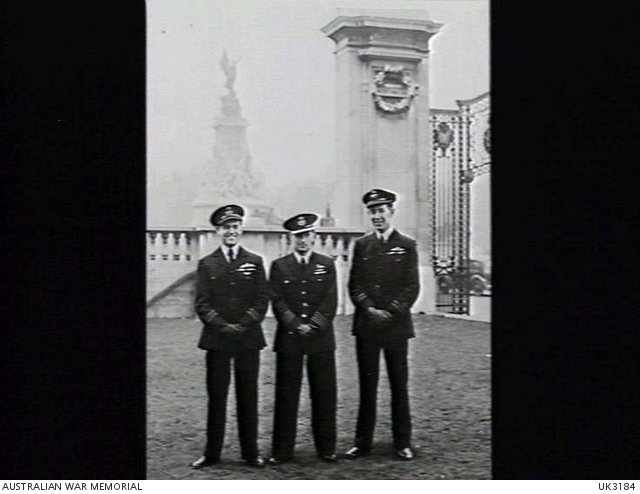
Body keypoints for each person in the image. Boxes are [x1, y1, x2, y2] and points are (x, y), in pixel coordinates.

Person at [191, 204, 269, 469]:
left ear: (241, 229)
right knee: (217, 397)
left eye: (235, 227)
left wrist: (243, 325)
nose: (231, 231)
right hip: (217, 339)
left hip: (248, 339)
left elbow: (261, 300)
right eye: (226, 227)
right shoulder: (207, 263)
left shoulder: (255, 261)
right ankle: (212, 453)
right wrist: (224, 326)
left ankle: (251, 452)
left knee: (248, 396)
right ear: (218, 231)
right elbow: (202, 303)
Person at [344, 189, 420, 461]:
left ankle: (402, 442)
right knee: (368, 384)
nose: (377, 216)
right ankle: (362, 442)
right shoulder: (362, 245)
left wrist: (391, 311)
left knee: (399, 384)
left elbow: (412, 286)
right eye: (372, 212)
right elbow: (354, 284)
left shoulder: (407, 245)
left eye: (381, 211)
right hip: (368, 325)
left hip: (396, 326)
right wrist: (369, 309)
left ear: (391, 212)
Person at [268, 213, 338, 464]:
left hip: (321, 338)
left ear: (314, 236)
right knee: (287, 395)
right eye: (298, 236)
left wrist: (314, 325)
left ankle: (326, 448)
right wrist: (296, 324)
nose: (302, 240)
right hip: (290, 337)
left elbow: (331, 301)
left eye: (307, 235)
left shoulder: (326, 264)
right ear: (290, 238)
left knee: (324, 392)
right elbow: (276, 300)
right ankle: (282, 450)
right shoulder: (279, 266)